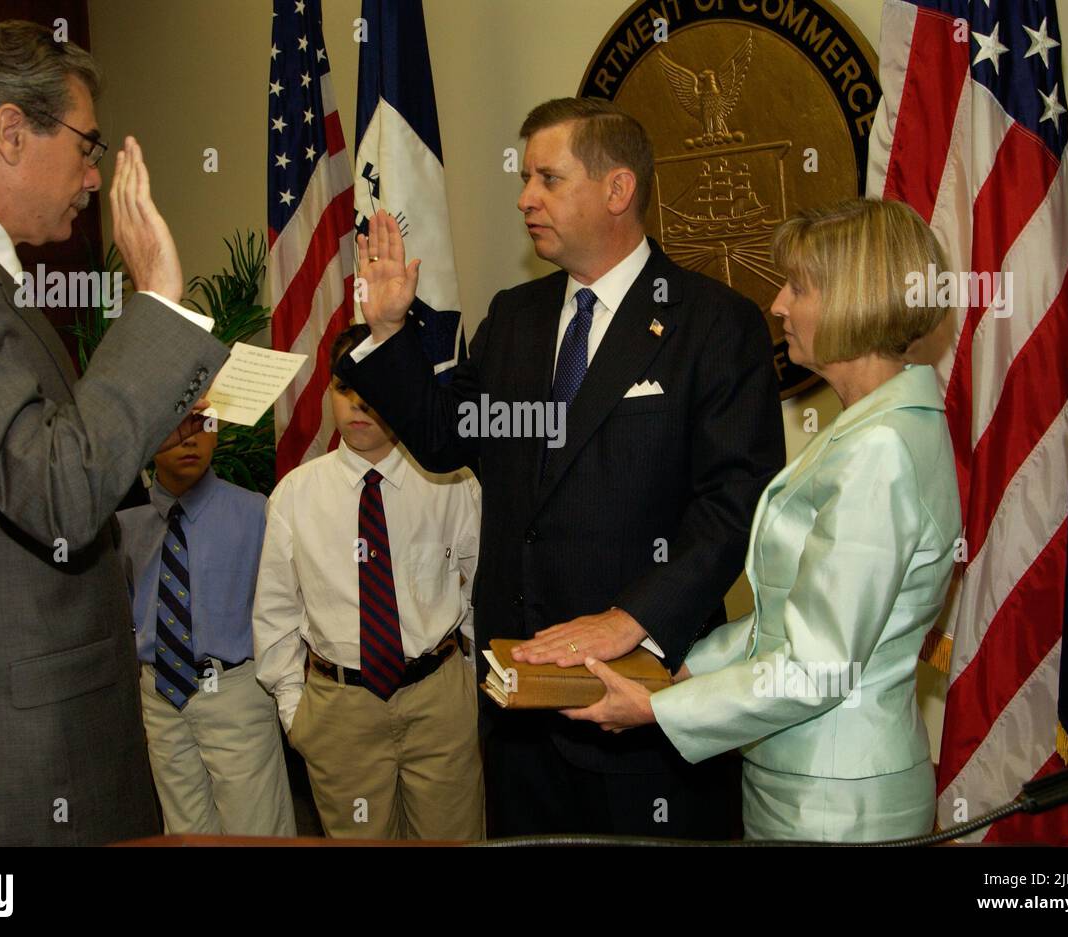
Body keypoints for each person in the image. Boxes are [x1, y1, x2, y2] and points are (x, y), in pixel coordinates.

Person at [340, 98, 785, 837]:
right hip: (520, 716)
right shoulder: (515, 316)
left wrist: (630, 618)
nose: (524, 198)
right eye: (524, 178)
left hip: (638, 706)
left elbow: (732, 506)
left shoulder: (714, 324)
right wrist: (389, 332)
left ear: (617, 190)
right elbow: (451, 437)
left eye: (547, 178)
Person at [0, 21, 230, 845]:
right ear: (10, 131)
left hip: (25, 733)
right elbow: (57, 492)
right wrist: (160, 305)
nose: (94, 176)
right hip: (7, 760)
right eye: (87, 144)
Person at [566, 198, 962, 842]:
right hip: (803, 777)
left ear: (852, 301)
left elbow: (819, 667)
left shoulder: (878, 451)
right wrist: (681, 666)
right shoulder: (879, 427)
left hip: (835, 802)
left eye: (798, 287)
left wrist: (659, 708)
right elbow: (791, 620)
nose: (777, 304)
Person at [253, 324, 483, 841]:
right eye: (344, 390)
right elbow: (275, 614)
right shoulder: (295, 496)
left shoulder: (452, 483)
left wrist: (467, 687)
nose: (359, 405)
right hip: (341, 712)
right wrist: (297, 715)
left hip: (437, 700)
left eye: (373, 390)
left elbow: (477, 590)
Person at [117, 421, 296, 837]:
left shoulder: (256, 512)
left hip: (233, 690)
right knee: (184, 828)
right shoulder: (126, 522)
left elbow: (282, 603)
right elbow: (123, 609)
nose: (189, 438)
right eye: (174, 427)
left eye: (204, 425)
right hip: (160, 694)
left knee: (256, 827)